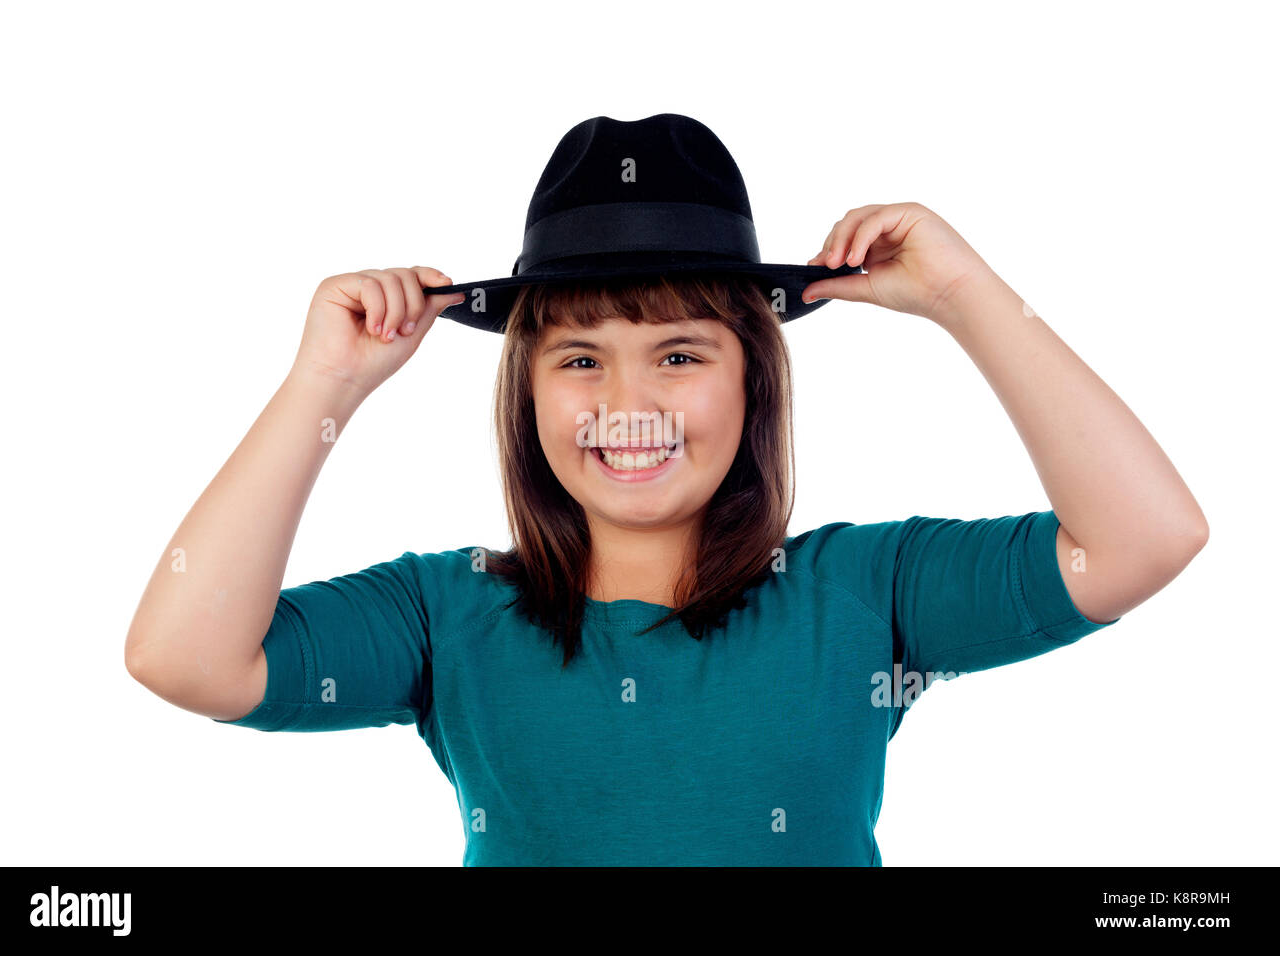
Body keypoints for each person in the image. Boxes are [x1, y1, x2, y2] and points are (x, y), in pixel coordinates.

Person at [124, 117, 1208, 866]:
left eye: (680, 356)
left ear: (752, 382)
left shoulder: (861, 592)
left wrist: (970, 297)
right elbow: (184, 656)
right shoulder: (446, 613)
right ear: (528, 391)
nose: (627, 401)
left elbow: (1144, 537)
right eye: (580, 359)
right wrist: (324, 384)